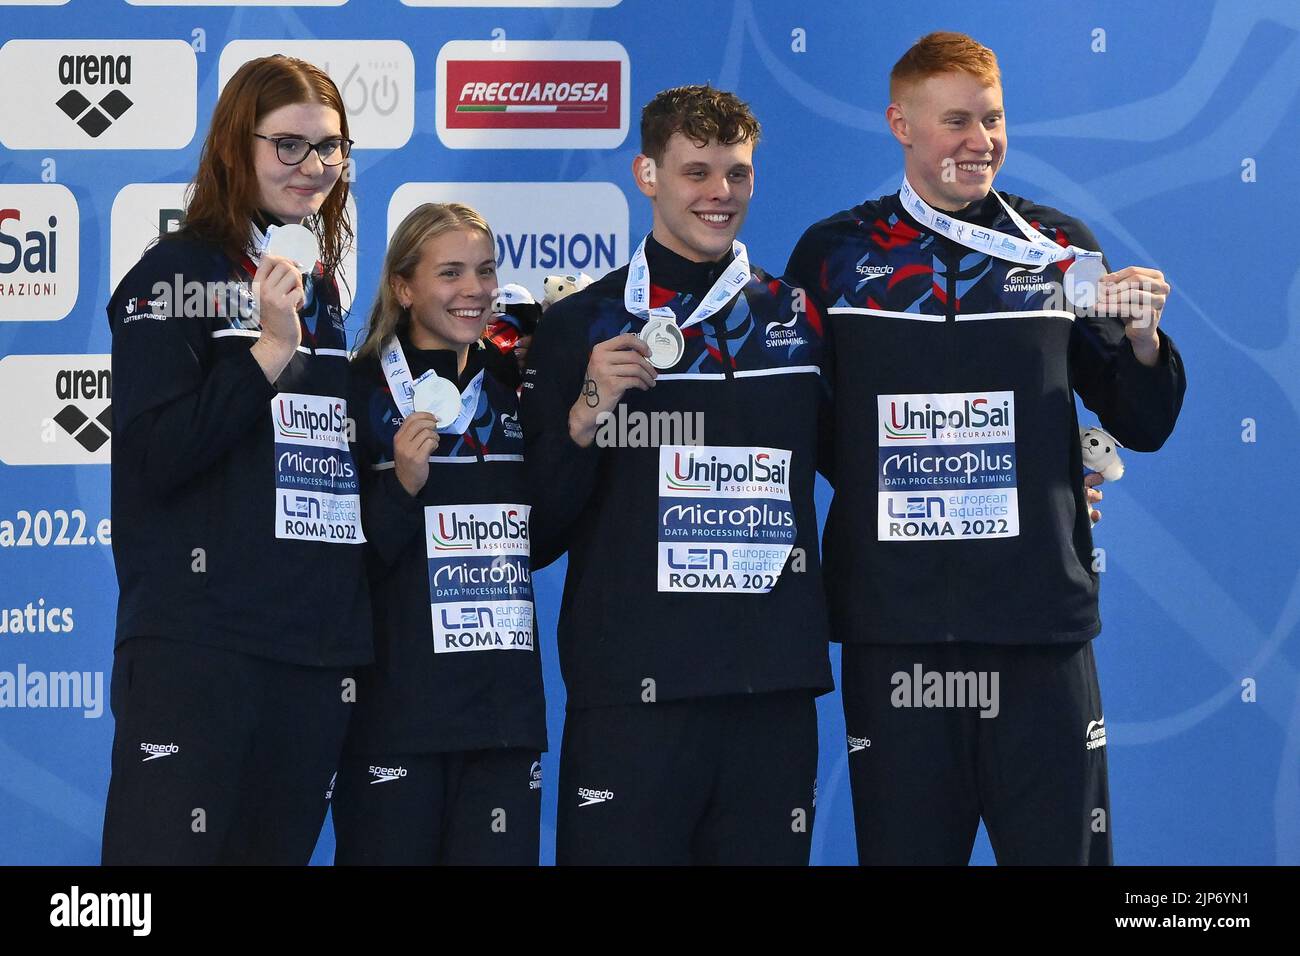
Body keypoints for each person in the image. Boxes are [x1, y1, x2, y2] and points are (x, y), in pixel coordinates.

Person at [784, 31, 1187, 865]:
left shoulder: (1058, 249)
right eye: (956, 121)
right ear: (900, 123)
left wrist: (1145, 344)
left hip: (1037, 625)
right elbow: (804, 423)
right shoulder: (834, 255)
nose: (981, 142)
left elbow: (1140, 419)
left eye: (994, 120)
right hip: (896, 632)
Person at [520, 85, 831, 865]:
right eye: (696, 172)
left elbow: (873, 467)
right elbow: (534, 531)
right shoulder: (578, 326)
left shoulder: (797, 318)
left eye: (738, 174)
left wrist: (1054, 480)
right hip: (632, 692)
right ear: (647, 174)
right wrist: (585, 413)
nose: (719, 195)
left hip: (770, 691)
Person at [102, 55, 367, 865]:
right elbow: (153, 456)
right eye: (288, 145)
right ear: (234, 147)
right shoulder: (172, 276)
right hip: (201, 649)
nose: (313, 167)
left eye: (330, 148)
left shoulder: (318, 293)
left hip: (311, 654)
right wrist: (265, 355)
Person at [331, 203, 548, 865]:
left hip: (502, 719)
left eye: (485, 272)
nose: (474, 290)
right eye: (450, 272)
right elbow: (335, 572)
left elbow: (553, 531)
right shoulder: (354, 392)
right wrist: (399, 485)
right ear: (403, 287)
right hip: (395, 718)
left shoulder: (516, 390)